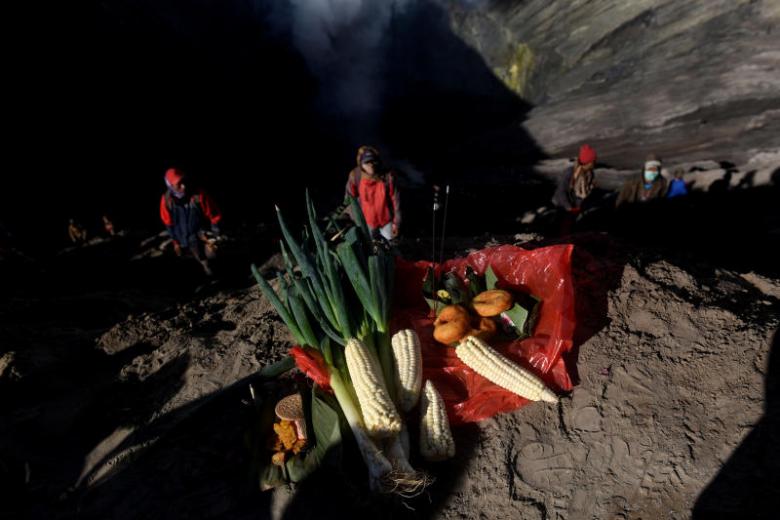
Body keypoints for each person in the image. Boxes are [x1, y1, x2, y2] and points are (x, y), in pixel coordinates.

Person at [159, 167, 222, 276]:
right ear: (170, 186)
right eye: (178, 184)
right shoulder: (167, 200)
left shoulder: (198, 195)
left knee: (212, 254)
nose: (183, 186)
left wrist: (216, 234)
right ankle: (207, 269)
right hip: (186, 237)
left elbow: (214, 214)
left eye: (183, 181)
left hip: (203, 233)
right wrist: (175, 242)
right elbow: (168, 222)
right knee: (199, 256)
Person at [343, 146, 401, 241]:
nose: (371, 165)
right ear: (361, 164)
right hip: (366, 222)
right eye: (367, 162)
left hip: (386, 221)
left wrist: (396, 223)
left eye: (373, 161)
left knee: (389, 244)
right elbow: (349, 199)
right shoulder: (355, 176)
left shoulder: (388, 176)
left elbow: (396, 201)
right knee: (369, 245)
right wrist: (352, 220)